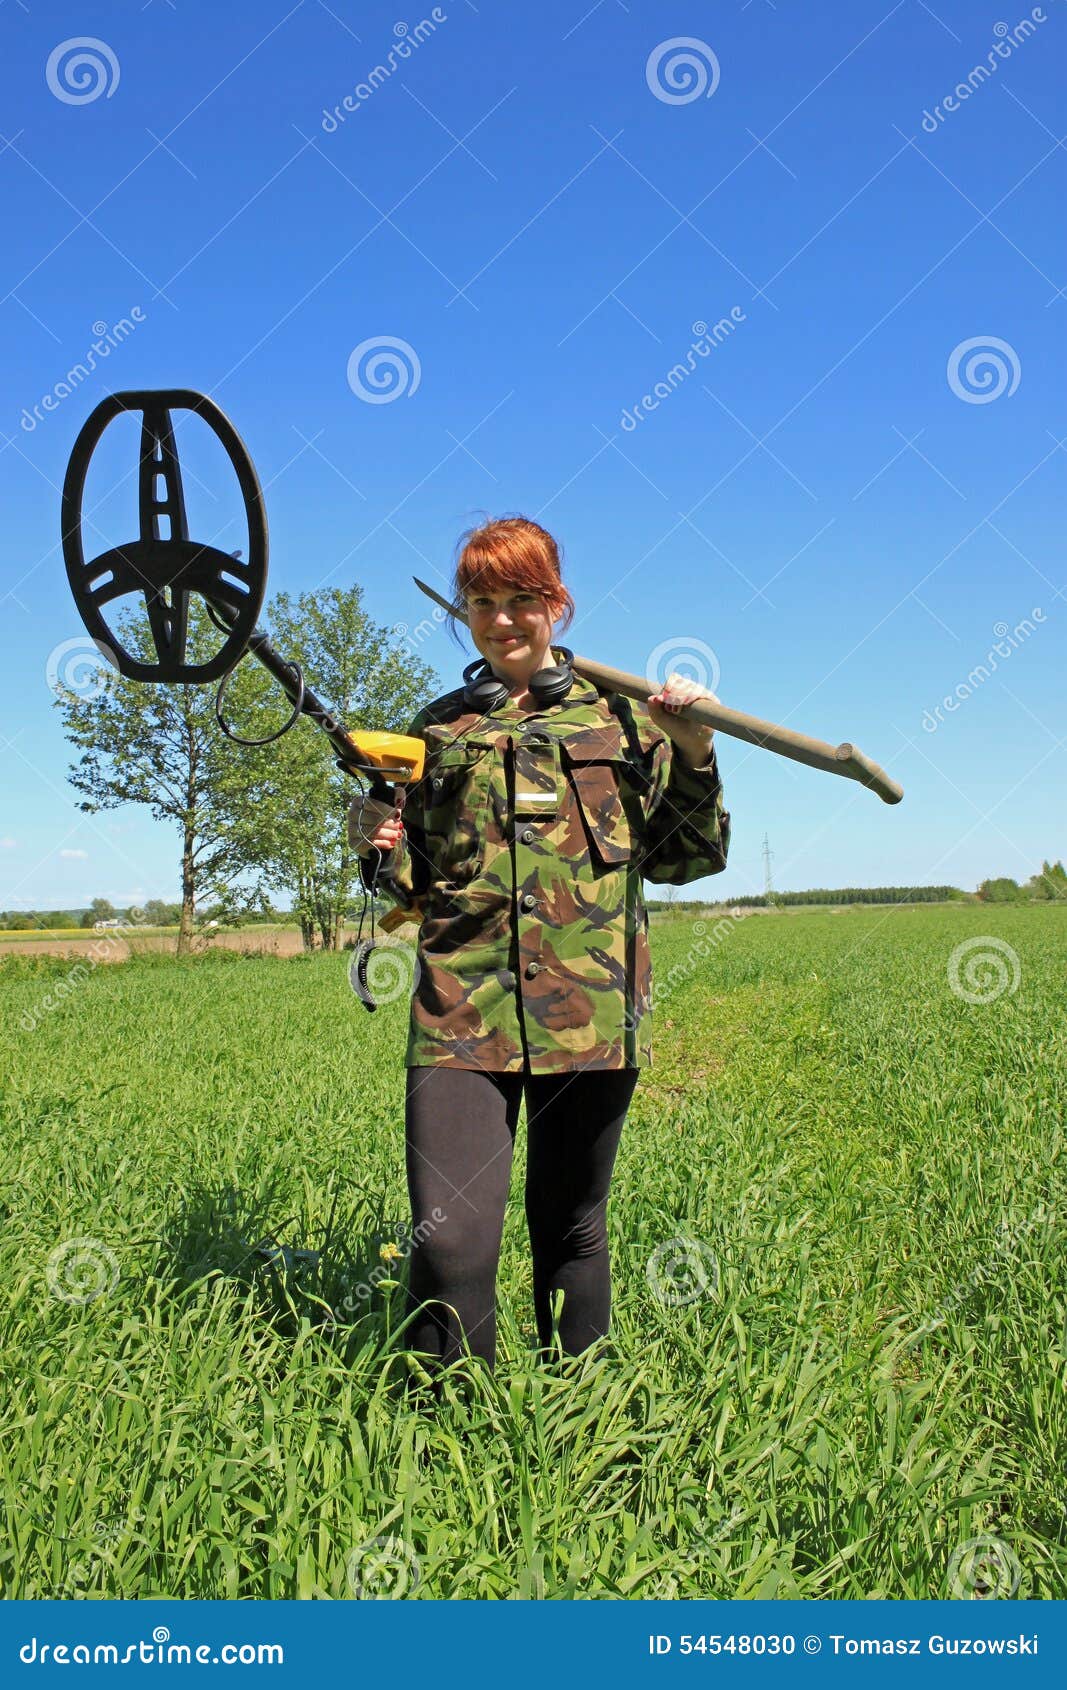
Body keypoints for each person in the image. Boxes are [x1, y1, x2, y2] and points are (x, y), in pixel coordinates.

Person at [349, 517, 730, 1373]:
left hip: (587, 1017)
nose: (501, 620)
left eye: (521, 600)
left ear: (555, 603)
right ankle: (445, 1441)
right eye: (481, 602)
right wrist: (377, 841)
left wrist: (695, 750)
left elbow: (686, 857)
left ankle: (578, 1415)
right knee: (448, 1243)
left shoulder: (627, 723)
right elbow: (409, 885)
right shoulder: (438, 731)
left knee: (570, 1229)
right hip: (459, 1011)